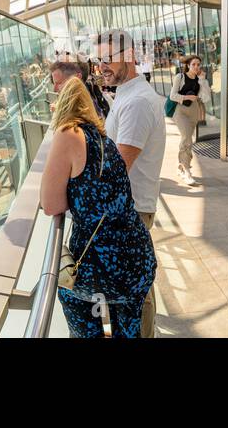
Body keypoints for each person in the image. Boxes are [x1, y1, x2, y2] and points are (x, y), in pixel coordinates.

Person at [40, 77, 156, 337]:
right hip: (139, 260)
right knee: (128, 330)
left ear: (61, 106)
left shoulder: (68, 132)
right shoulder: (104, 139)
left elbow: (50, 205)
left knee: (68, 292)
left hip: (104, 265)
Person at [96, 28, 167, 338]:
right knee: (136, 285)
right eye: (97, 60)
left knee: (134, 290)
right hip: (130, 207)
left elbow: (118, 169)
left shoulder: (137, 102)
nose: (101, 67)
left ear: (129, 56)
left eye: (108, 59)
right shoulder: (126, 95)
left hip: (131, 209)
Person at [169, 55, 205, 187]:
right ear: (188, 65)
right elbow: (173, 95)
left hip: (193, 111)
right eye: (194, 64)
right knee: (186, 138)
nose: (196, 67)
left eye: (198, 64)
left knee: (187, 140)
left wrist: (202, 81)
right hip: (180, 111)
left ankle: (181, 166)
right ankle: (187, 171)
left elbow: (205, 97)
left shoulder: (199, 79)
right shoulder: (180, 77)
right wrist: (186, 97)